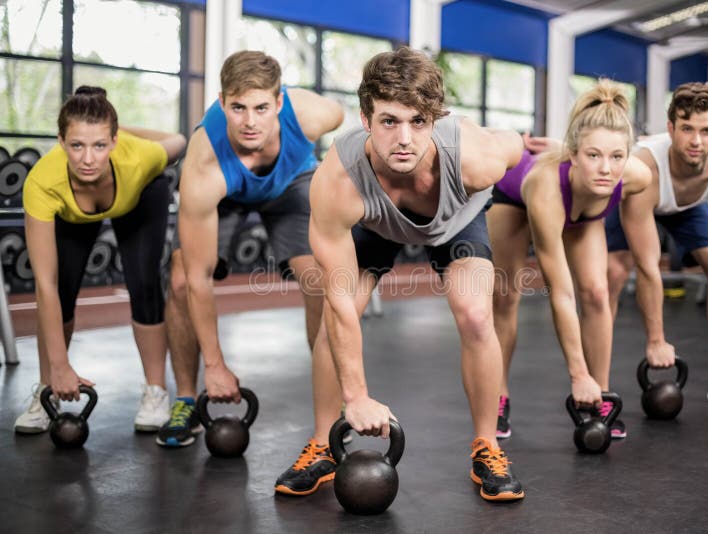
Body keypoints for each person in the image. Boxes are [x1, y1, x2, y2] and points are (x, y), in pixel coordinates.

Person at [274, 46, 525, 501]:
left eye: (418, 122)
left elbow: (513, 145)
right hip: (378, 224)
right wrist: (357, 396)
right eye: (389, 121)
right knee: (337, 313)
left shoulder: (475, 158)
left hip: (456, 221)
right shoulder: (339, 179)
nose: (404, 138)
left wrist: (526, 144)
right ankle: (322, 444)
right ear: (366, 120)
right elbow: (338, 300)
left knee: (475, 315)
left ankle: (487, 445)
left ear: (435, 119)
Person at [157, 51, 343, 447]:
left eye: (261, 108)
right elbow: (198, 278)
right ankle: (186, 400)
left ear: (280, 102)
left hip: (291, 182)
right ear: (221, 102)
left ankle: (334, 406)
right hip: (225, 192)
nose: (250, 121)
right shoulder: (204, 160)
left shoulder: (310, 115)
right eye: (238, 108)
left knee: (320, 280)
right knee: (180, 279)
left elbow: (344, 119)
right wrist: (215, 365)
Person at [14, 86, 186, 433]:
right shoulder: (42, 183)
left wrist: (127, 131)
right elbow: (44, 283)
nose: (88, 159)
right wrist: (60, 365)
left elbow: (180, 141)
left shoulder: (140, 157)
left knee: (144, 283)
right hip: (72, 211)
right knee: (60, 288)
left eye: (99, 145)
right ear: (61, 142)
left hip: (140, 194)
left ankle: (156, 391)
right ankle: (48, 389)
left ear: (114, 141)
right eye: (77, 145)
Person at [488, 80, 650, 440]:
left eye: (617, 156)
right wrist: (577, 374)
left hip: (583, 207)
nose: (606, 168)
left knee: (597, 293)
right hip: (514, 194)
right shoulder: (545, 187)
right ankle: (497, 396)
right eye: (593, 155)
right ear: (574, 155)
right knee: (505, 297)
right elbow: (560, 293)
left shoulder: (636, 177)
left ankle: (600, 396)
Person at [605, 81, 708, 413]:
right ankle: (597, 389)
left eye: (706, 130)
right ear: (671, 128)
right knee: (613, 275)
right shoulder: (644, 170)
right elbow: (648, 267)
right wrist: (656, 340)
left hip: (688, 203)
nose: (696, 141)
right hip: (642, 194)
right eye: (686, 129)